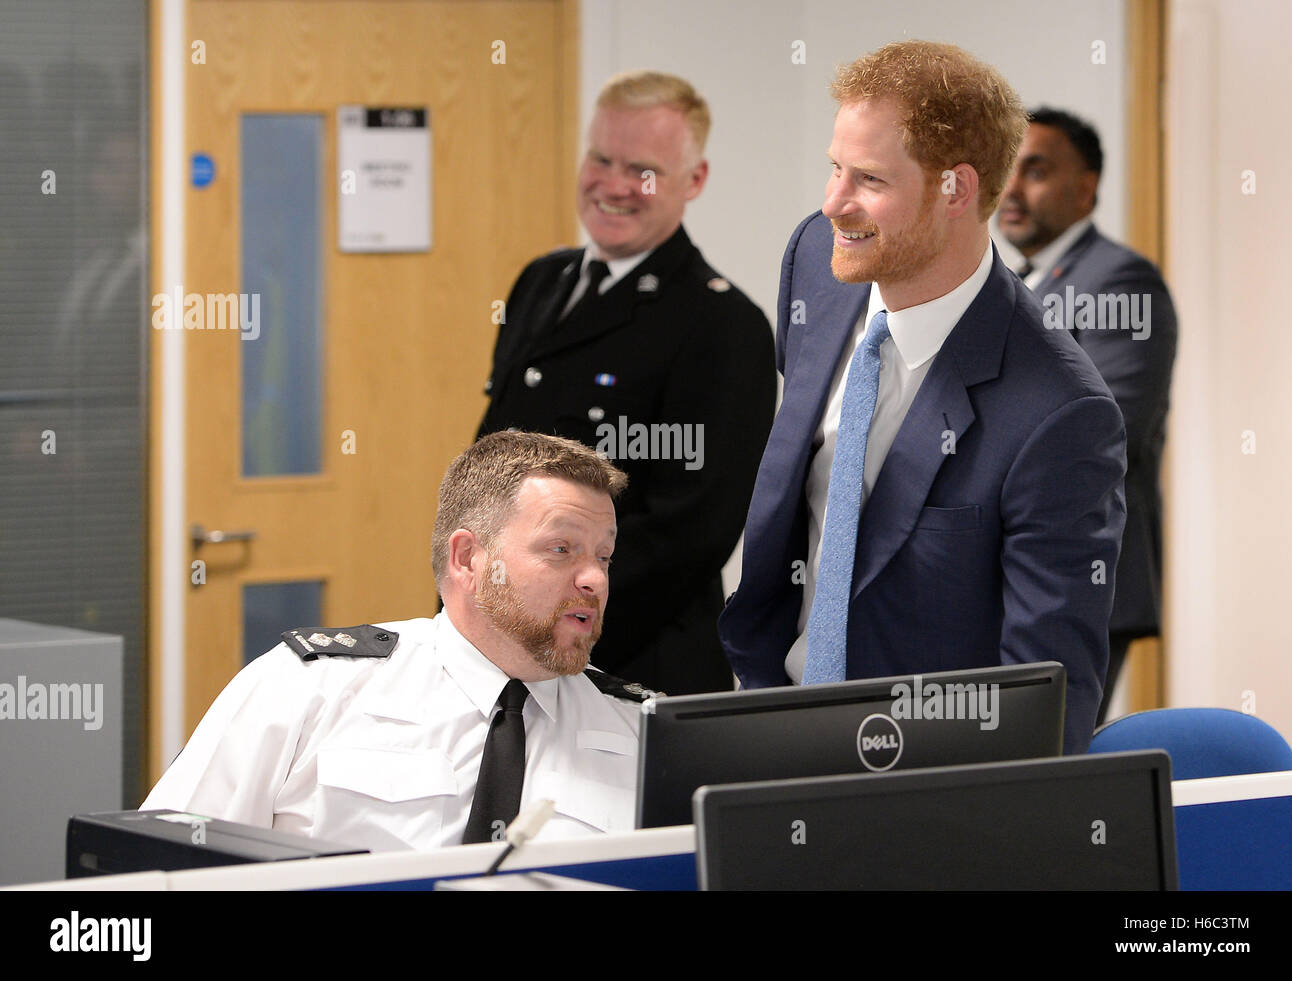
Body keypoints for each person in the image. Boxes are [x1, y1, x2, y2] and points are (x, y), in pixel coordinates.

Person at [717, 41, 1127, 755]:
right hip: (767, 735)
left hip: (918, 785)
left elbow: (1046, 703)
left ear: (956, 191)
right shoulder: (818, 260)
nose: (834, 203)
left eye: (869, 179)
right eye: (835, 167)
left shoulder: (1061, 414)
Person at [142, 431, 650, 851]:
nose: (595, 581)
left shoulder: (637, 730)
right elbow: (154, 868)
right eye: (561, 549)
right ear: (468, 559)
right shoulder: (312, 687)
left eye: (603, 557)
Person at [478, 71, 776, 696]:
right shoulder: (542, 281)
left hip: (627, 666)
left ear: (694, 181)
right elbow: (493, 465)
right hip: (497, 648)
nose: (613, 185)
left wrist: (538, 615)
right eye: (601, 158)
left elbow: (689, 534)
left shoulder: (722, 324)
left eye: (643, 170)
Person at [998, 107, 1177, 724]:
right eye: (1008, 169)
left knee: (1051, 774)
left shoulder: (1120, 281)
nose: (1013, 189)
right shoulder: (1012, 284)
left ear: (1086, 187)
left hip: (1082, 576)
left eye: (1037, 170)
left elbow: (1107, 430)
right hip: (1014, 574)